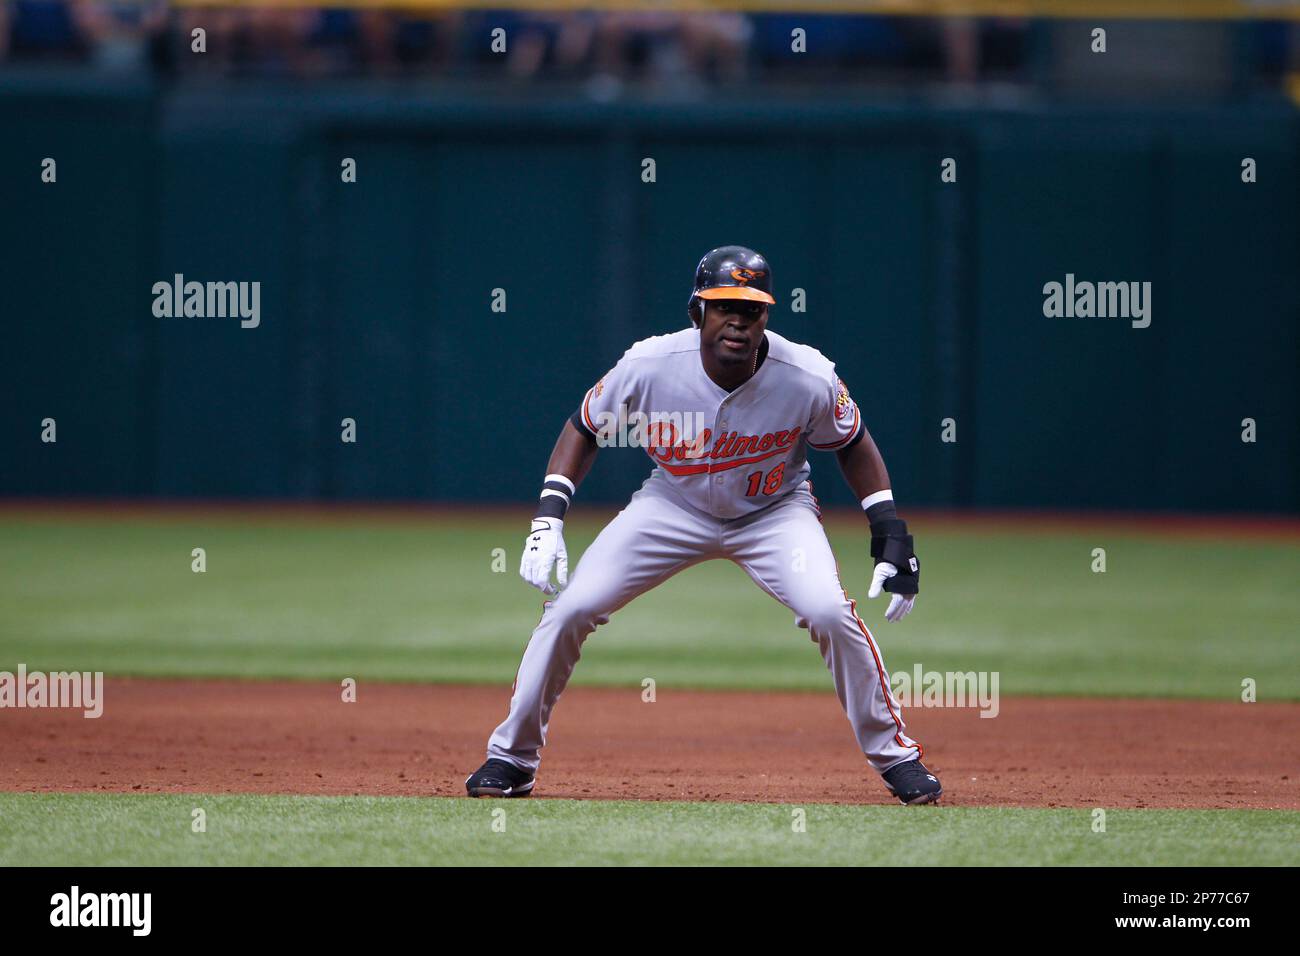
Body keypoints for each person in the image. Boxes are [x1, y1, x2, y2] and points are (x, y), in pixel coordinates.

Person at [465, 246, 941, 805]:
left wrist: (888, 528)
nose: (738, 319)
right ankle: (513, 758)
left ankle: (897, 758)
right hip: (672, 504)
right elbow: (584, 428)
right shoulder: (648, 365)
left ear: (767, 315)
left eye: (752, 308)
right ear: (697, 311)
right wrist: (548, 518)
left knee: (829, 612)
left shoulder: (807, 374)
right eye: (724, 306)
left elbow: (853, 443)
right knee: (570, 607)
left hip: (774, 513)